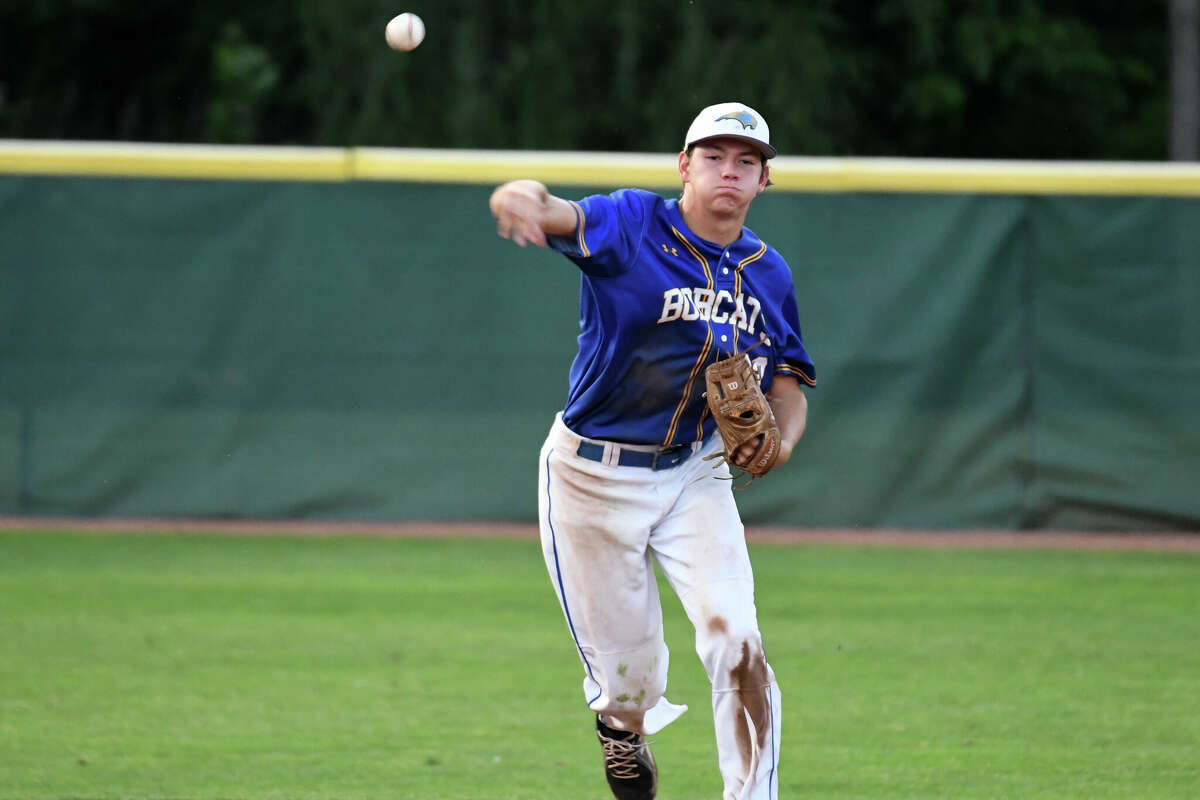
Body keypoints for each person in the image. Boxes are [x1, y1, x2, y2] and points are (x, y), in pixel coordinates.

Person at [488, 101, 816, 800]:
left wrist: (783, 441)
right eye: (714, 157)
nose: (729, 172)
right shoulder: (634, 224)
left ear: (764, 180)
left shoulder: (769, 274)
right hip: (591, 477)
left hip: (696, 473)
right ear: (684, 166)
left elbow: (787, 381)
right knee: (629, 681)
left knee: (737, 642)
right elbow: (557, 213)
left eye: (747, 162)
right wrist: (522, 196)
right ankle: (621, 727)